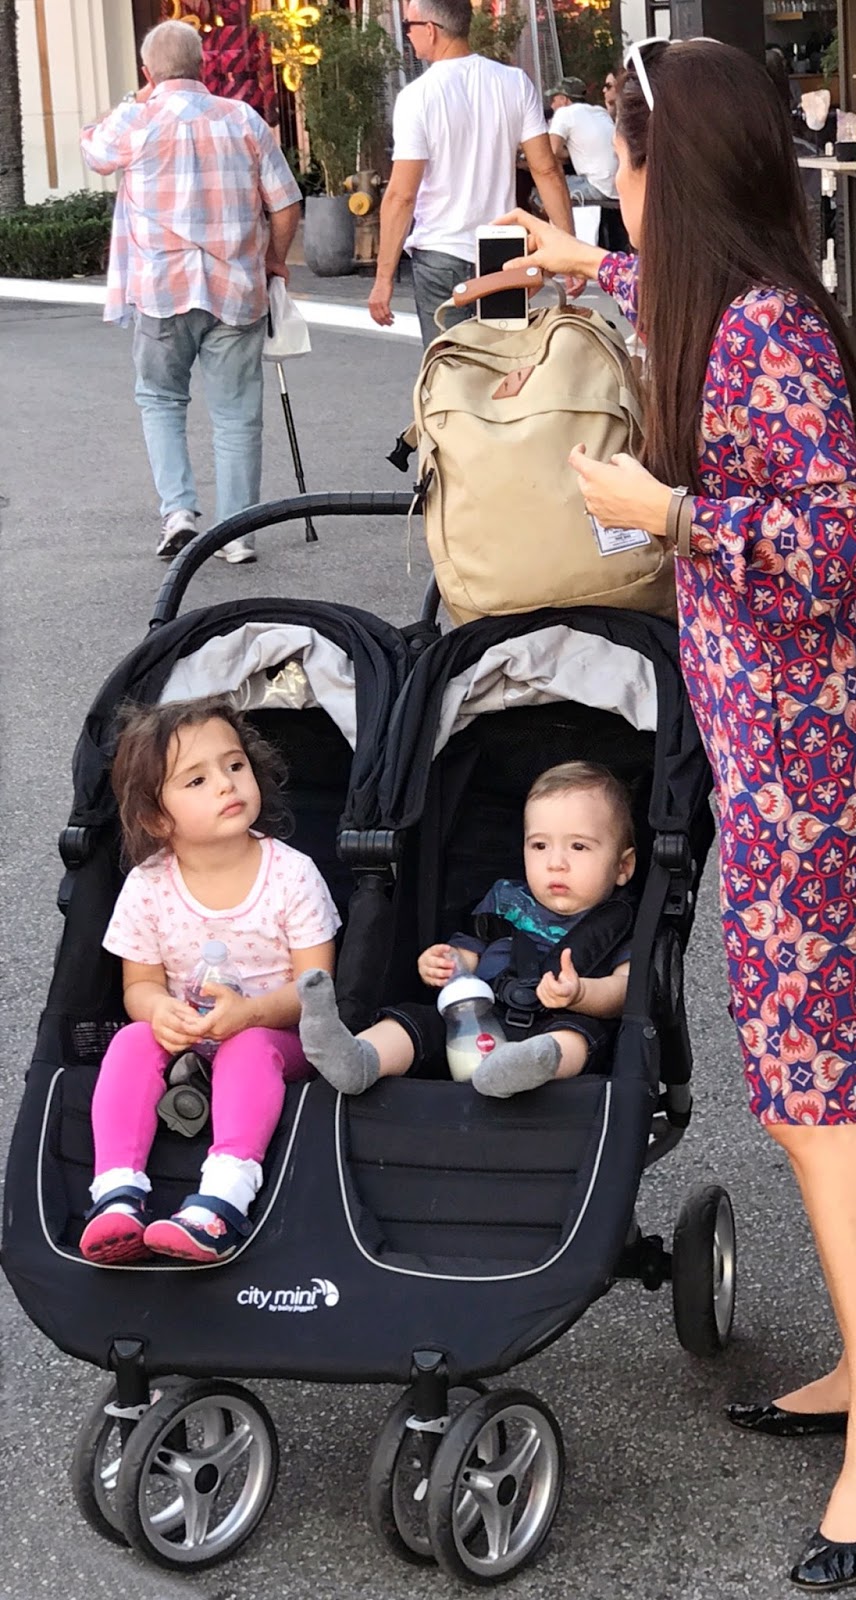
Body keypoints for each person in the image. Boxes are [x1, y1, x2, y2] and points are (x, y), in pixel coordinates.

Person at [496, 38, 856, 1592]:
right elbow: (661, 307)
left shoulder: (761, 331)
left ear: (670, 170)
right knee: (813, 1095)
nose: (616, 186)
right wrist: (583, 263)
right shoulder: (723, 305)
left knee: (816, 1098)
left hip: (800, 787)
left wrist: (669, 512)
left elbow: (840, 539)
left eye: (626, 160)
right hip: (784, 773)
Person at [79, 696, 339, 1266]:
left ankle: (223, 1198)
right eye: (197, 780)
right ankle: (117, 1193)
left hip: (280, 1036)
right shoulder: (149, 887)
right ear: (155, 818)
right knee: (130, 1039)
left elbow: (316, 988)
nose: (227, 784)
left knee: (246, 1048)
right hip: (192, 1035)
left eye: (235, 765)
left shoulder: (291, 875)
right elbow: (139, 985)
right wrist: (157, 1011)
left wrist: (249, 1014)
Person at [80, 20, 301, 565]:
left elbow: (94, 149)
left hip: (161, 289)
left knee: (159, 399)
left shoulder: (138, 120)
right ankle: (238, 534)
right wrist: (273, 259)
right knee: (237, 415)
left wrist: (137, 97)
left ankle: (178, 512)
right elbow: (286, 203)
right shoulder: (243, 119)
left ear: (148, 71)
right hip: (237, 288)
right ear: (204, 65)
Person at [298, 762, 635, 1099]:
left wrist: (581, 993)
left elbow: (624, 989)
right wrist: (445, 962)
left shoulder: (620, 923)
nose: (555, 862)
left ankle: (515, 1071)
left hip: (555, 1025)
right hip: (476, 1018)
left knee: (578, 1038)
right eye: (539, 846)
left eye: (578, 847)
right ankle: (360, 1058)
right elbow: (468, 955)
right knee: (414, 1020)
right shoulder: (505, 899)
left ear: (623, 866)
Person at [367, 0, 574, 348]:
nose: (408, 37)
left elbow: (402, 195)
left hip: (440, 254)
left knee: (449, 373)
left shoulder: (417, 97)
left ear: (430, 30)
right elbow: (546, 170)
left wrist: (383, 278)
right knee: (503, 366)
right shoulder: (514, 82)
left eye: (408, 27)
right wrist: (568, 249)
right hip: (503, 251)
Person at [546, 76, 619, 204]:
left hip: (598, 186)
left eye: (554, 99)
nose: (552, 105)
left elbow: (552, 150)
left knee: (544, 189)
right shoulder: (600, 111)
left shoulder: (564, 113)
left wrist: (570, 154)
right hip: (618, 187)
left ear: (564, 99)